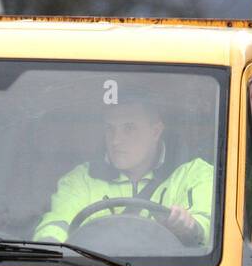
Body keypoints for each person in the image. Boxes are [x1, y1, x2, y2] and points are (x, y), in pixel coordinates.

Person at [33, 94, 213, 246]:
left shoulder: (196, 173)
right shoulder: (81, 179)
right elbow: (57, 222)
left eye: (129, 128)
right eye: (110, 129)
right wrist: (50, 246)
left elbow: (210, 226)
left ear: (156, 132)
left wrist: (190, 227)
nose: (115, 140)